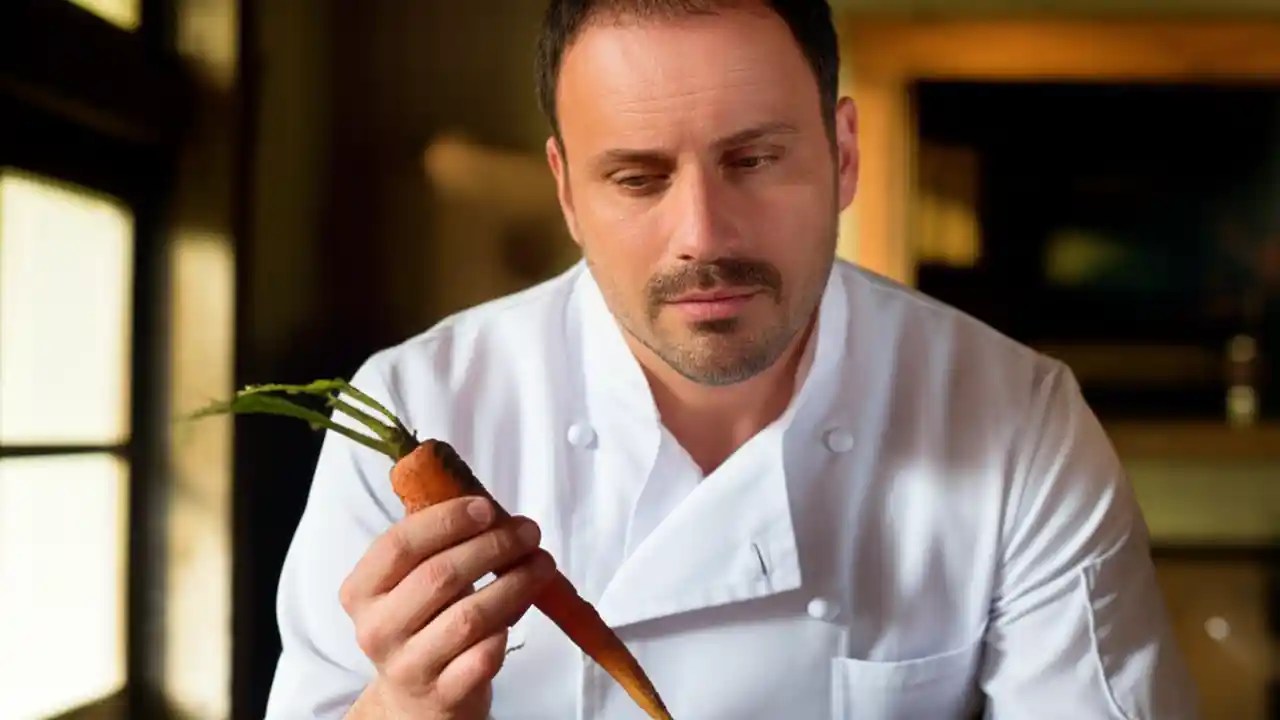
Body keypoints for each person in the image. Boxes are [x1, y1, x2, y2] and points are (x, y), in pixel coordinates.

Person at [264, 1, 1198, 718]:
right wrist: (401, 709)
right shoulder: (415, 407)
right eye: (637, 178)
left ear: (842, 154)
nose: (702, 236)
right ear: (567, 192)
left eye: (753, 160)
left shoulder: (1019, 422)